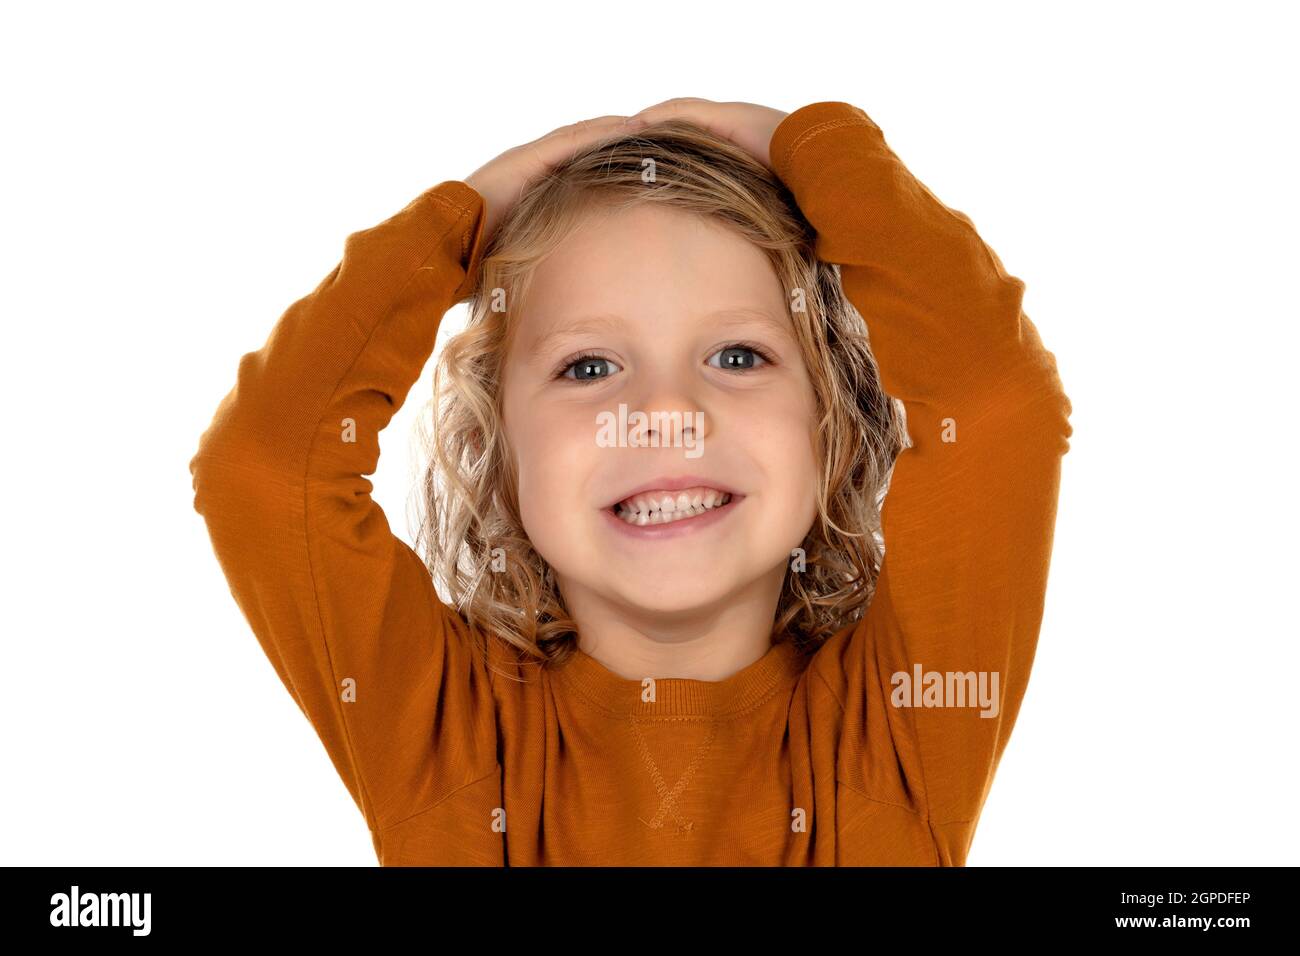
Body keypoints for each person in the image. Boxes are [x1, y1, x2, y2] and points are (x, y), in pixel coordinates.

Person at [189, 97, 1073, 865]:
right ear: (501, 454)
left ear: (833, 430)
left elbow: (996, 407)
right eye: (587, 368)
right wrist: (458, 223)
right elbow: (265, 468)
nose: (664, 411)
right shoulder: (450, 739)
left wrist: (816, 147)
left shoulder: (894, 735)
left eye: (737, 355)